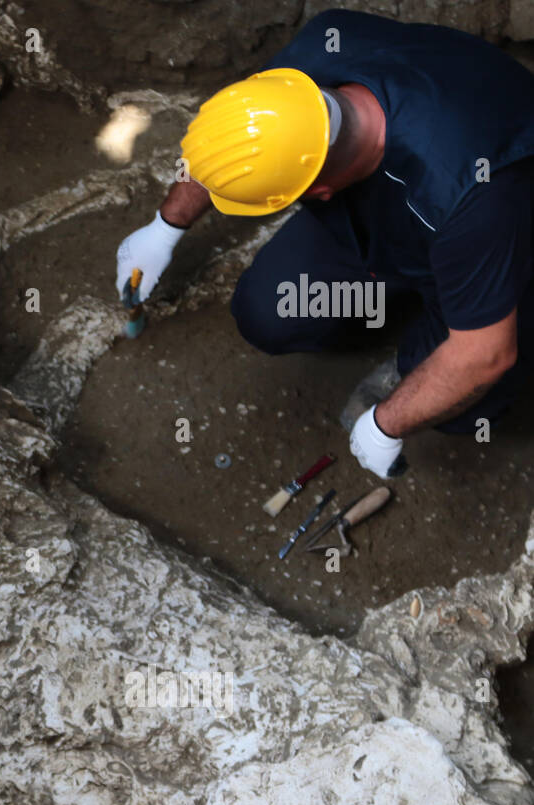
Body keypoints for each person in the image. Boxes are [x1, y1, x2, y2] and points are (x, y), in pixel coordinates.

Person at [115, 9, 534, 478]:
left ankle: (425, 343)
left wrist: (386, 425)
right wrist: (165, 227)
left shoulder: (470, 196)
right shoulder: (310, 62)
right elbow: (238, 140)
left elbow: (484, 355)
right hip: (396, 226)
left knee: (466, 404)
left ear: (319, 192)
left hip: (496, 231)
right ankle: (391, 303)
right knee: (269, 312)